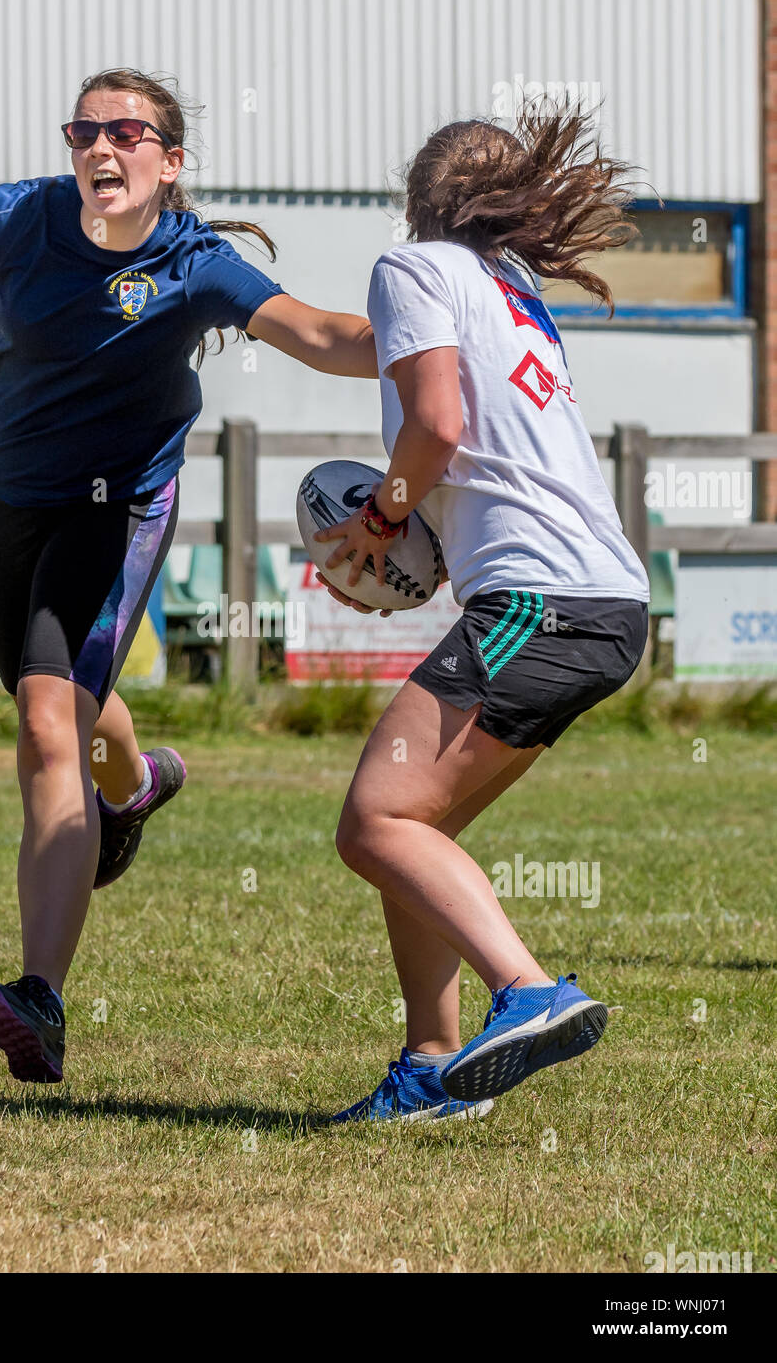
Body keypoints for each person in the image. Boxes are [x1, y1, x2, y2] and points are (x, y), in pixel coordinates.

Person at [0, 67, 377, 1085]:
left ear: (167, 162)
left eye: (126, 132)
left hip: (116, 504)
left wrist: (431, 342)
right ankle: (132, 788)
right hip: (3, 501)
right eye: (82, 131)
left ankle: (38, 998)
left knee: (47, 718)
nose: (100, 147)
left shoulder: (196, 264)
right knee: (68, 712)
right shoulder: (13, 220)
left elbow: (315, 334)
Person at [314, 101, 649, 1124]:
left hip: (540, 600)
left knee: (373, 819)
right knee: (421, 825)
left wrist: (378, 518)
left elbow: (437, 423)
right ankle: (429, 1061)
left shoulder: (413, 267)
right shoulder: (508, 287)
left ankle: (530, 991)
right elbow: (423, 396)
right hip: (605, 601)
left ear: (418, 203)